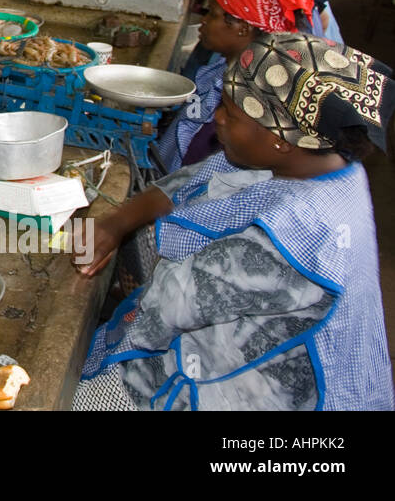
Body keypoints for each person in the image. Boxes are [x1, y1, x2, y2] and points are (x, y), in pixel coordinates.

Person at [74, 32, 394, 411]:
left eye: (230, 112)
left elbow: (168, 305)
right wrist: (115, 224)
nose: (217, 118)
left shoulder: (294, 238)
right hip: (242, 331)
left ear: (280, 139)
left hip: (265, 390)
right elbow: (188, 181)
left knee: (75, 393)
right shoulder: (322, 162)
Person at [155, 0, 313, 174]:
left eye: (212, 14)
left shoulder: (246, 103)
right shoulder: (222, 68)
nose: (203, 21)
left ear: (243, 28)